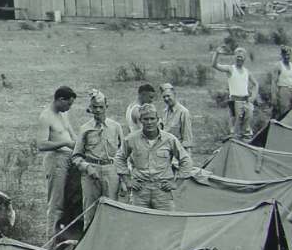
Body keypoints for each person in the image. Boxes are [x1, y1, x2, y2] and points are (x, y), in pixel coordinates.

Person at [115, 103, 192, 210]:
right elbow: (119, 158)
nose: (149, 122)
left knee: (166, 222)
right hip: (140, 190)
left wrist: (176, 183)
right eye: (146, 119)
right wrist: (127, 180)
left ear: (158, 119)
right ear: (141, 120)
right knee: (138, 222)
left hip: (162, 191)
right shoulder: (131, 139)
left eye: (152, 118)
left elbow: (186, 160)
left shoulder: (169, 139)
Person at [70, 89, 123, 228]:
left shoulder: (116, 127)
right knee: (90, 213)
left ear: (107, 106)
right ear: (90, 108)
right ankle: (89, 247)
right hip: (91, 174)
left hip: (111, 171)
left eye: (101, 107)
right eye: (95, 107)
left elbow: (123, 154)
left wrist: (124, 177)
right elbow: (76, 156)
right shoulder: (85, 128)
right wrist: (87, 168)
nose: (98, 110)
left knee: (112, 211)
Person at [36, 86, 78, 236]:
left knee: (70, 200)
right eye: (68, 104)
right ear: (60, 99)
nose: (69, 108)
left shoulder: (63, 114)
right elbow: (41, 144)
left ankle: (65, 238)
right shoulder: (46, 117)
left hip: (70, 159)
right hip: (56, 161)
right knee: (56, 203)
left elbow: (72, 135)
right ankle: (51, 241)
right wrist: (65, 144)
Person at [212, 45, 259, 140]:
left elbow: (255, 84)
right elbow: (215, 65)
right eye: (237, 56)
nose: (239, 59)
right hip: (235, 102)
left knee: (247, 130)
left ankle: (246, 146)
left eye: (241, 57)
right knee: (234, 130)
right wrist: (217, 54)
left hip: (246, 102)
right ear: (234, 57)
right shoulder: (230, 69)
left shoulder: (247, 71)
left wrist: (253, 97)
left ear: (244, 58)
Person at [159, 83, 194, 154]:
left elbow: (187, 140)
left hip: (178, 154)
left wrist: (185, 160)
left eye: (168, 96)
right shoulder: (164, 112)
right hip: (165, 154)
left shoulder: (183, 112)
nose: (166, 99)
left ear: (174, 94)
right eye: (164, 97)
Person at [270, 45, 292, 118]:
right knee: (284, 112)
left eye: (288, 54)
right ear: (282, 55)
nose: (286, 57)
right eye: (284, 54)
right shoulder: (278, 65)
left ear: (290, 55)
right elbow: (274, 82)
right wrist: (274, 96)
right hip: (283, 90)